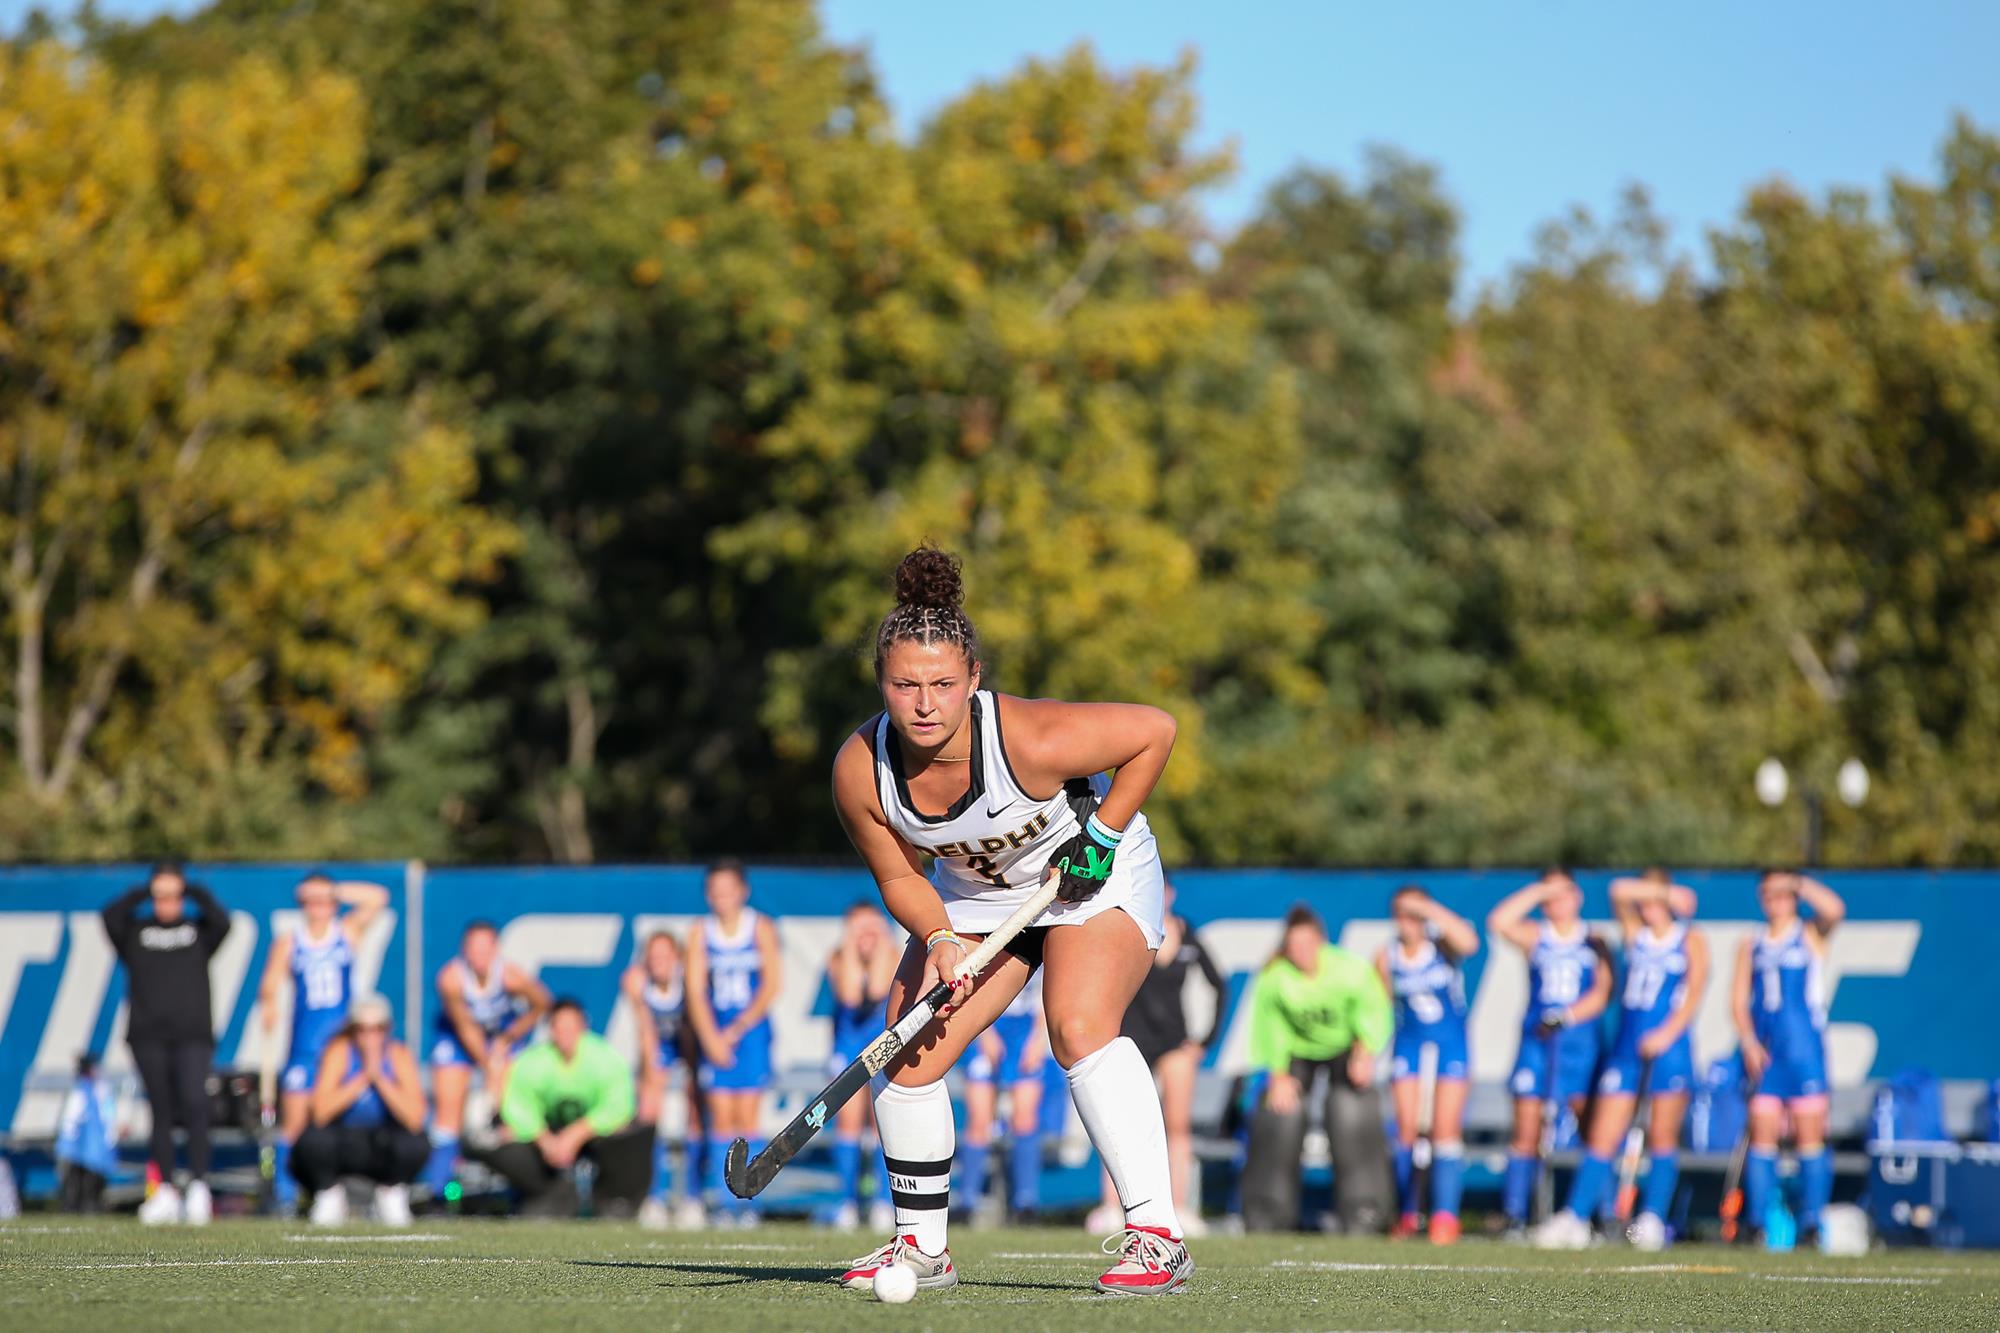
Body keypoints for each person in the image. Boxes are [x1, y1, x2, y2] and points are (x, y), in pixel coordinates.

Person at [829, 545, 1191, 1296]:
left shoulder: (1027, 738)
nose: (924, 703)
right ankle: (922, 1248)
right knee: (905, 1055)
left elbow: (1155, 730)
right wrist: (939, 938)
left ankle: (1158, 1234)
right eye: (905, 685)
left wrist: (1104, 835)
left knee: (1078, 1024)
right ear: (881, 685)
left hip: (1092, 876)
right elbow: (900, 872)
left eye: (941, 684)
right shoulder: (860, 768)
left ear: (972, 681)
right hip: (977, 900)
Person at [1536, 870, 1708, 1251]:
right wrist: (1664, 890)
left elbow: (1694, 994)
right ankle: (1575, 1216)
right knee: (1601, 1135)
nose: (1646, 905)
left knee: (1662, 1136)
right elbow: (1617, 889)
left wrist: (1666, 1034)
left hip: (1670, 1049)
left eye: (1654, 899)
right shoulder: (1635, 933)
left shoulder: (1690, 939)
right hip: (1627, 1050)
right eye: (1644, 898)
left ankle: (1652, 1217)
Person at [1240, 904, 1395, 1235]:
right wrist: (1278, 1075)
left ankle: (1364, 1213)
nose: (1301, 954)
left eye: (1308, 945)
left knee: (1350, 1112)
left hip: (1345, 1047)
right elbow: (1270, 1029)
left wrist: (1365, 1051)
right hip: (1299, 1052)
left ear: (1322, 942)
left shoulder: (1350, 971)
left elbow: (1374, 1010)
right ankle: (1269, 1214)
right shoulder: (1276, 977)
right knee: (1280, 1112)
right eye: (1294, 947)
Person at [1087, 882, 1227, 1237]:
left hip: (1175, 1043)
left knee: (1177, 1125)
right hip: (1131, 1038)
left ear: (1171, 895)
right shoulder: (1129, 928)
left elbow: (1219, 986)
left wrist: (1204, 1041)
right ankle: (1111, 1206)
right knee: (1119, 1122)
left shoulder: (1189, 936)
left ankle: (1179, 1207)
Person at [100, 863, 232, 1225]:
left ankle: (200, 1187)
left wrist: (189, 889)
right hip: (148, 1035)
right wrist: (146, 890)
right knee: (160, 1111)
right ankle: (166, 1190)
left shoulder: (197, 931)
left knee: (194, 1103)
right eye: (162, 896)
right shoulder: (136, 932)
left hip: (192, 1035)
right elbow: (109, 915)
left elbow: (223, 920)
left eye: (173, 896)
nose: (167, 902)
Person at [1487, 870, 1614, 1237]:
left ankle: (1596, 1213)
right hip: (1538, 1044)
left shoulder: (1594, 939)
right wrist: (1540, 889)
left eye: (1565, 892)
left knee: (1593, 1128)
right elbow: (1499, 921)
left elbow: (1604, 992)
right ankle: (1514, 1213)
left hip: (1580, 1045)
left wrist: (1569, 1015)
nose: (1558, 901)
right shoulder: (1535, 936)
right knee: (1526, 1128)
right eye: (1552, 895)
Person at [256, 873, 390, 1210]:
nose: (318, 907)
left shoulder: (346, 932)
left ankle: (336, 1191)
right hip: (304, 1045)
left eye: (324, 901)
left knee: (341, 1118)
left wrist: (335, 890)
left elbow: (378, 897)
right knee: (294, 1125)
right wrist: (269, 1003)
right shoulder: (290, 942)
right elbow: (269, 983)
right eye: (311, 901)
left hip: (341, 1049)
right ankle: (286, 1196)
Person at [1734, 870, 1845, 1244]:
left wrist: (1798, 883)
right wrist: (1748, 1040)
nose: (1774, 901)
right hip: (1769, 1055)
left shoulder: (1808, 934)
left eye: (1781, 894)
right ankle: (1757, 1223)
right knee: (1762, 1137)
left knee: (1809, 1137)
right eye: (1768, 894)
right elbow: (1737, 1001)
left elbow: (1835, 908)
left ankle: (1812, 1223)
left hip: (1804, 1053)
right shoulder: (1753, 943)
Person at [474, 997, 654, 1218]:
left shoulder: (605, 1059)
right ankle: (542, 1194)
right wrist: (543, 1138)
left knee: (628, 1132)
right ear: (551, 1030)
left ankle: (615, 1202)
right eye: (559, 1028)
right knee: (505, 1136)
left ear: (583, 1028)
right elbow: (517, 1105)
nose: (565, 1035)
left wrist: (577, 1134)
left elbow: (619, 1105)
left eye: (571, 1028)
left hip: (595, 1140)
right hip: (547, 1142)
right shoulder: (534, 1061)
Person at [1377, 884, 1478, 1244]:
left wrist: (1429, 908)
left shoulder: (1443, 945)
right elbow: (1382, 1005)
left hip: (1450, 1046)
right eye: (1401, 915)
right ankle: (1408, 1212)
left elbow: (1470, 942)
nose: (1408, 923)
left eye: (1413, 915)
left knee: (1445, 1130)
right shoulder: (1386, 956)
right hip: (1409, 1046)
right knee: (1406, 1130)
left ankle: (1445, 1216)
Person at [422, 919, 550, 1198]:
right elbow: (465, 1027)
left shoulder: (511, 975)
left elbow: (542, 1002)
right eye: (473, 949)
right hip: (455, 1038)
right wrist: (488, 1064)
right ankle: (439, 1191)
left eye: (485, 949)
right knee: (448, 1111)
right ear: (463, 951)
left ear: (496, 950)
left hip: (499, 1037)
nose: (479, 956)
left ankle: (516, 1187)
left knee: (511, 1110)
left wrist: (510, 1036)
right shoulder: (451, 979)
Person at [685, 858, 782, 1225]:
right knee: (721, 1116)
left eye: (729, 891)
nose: (722, 898)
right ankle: (723, 1201)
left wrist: (737, 1028)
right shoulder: (700, 931)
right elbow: (694, 989)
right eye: (715, 892)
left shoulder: (760, 927)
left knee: (747, 1117)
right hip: (716, 1030)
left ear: (743, 891)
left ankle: (749, 1200)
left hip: (751, 1033)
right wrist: (711, 1037)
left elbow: (772, 983)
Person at [294, 994, 430, 1227]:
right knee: (312, 1141)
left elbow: (415, 1117)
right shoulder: (339, 1052)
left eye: (378, 1029)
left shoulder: (398, 1055)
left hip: (382, 1142)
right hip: (344, 1140)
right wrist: (363, 1077)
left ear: (387, 1030)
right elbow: (320, 1112)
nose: (370, 1036)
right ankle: (329, 1194)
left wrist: (380, 1079)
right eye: (363, 1029)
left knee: (416, 1143)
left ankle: (391, 1193)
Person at [826, 902, 900, 1233]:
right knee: (849, 1122)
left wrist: (881, 944)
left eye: (871, 929)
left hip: (882, 1044)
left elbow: (878, 989)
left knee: (881, 1122)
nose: (865, 937)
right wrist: (852, 948)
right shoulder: (838, 958)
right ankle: (847, 1202)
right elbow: (852, 996)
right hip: (848, 1047)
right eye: (858, 931)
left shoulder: (893, 953)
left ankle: (886, 1202)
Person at [960, 971, 1049, 1226]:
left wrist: (1038, 1039)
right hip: (988, 1025)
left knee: (1025, 1118)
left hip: (1025, 1030)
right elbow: (975, 989)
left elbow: (1048, 988)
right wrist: (984, 1033)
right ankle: (967, 1202)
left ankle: (1025, 1203)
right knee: (979, 1120)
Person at [56, 1053, 121, 1214]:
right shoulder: (87, 1088)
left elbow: (106, 1114)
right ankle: (74, 1207)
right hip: (85, 1144)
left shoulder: (94, 1088)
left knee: (90, 1180)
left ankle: (88, 1206)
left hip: (90, 1143)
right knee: (76, 1180)